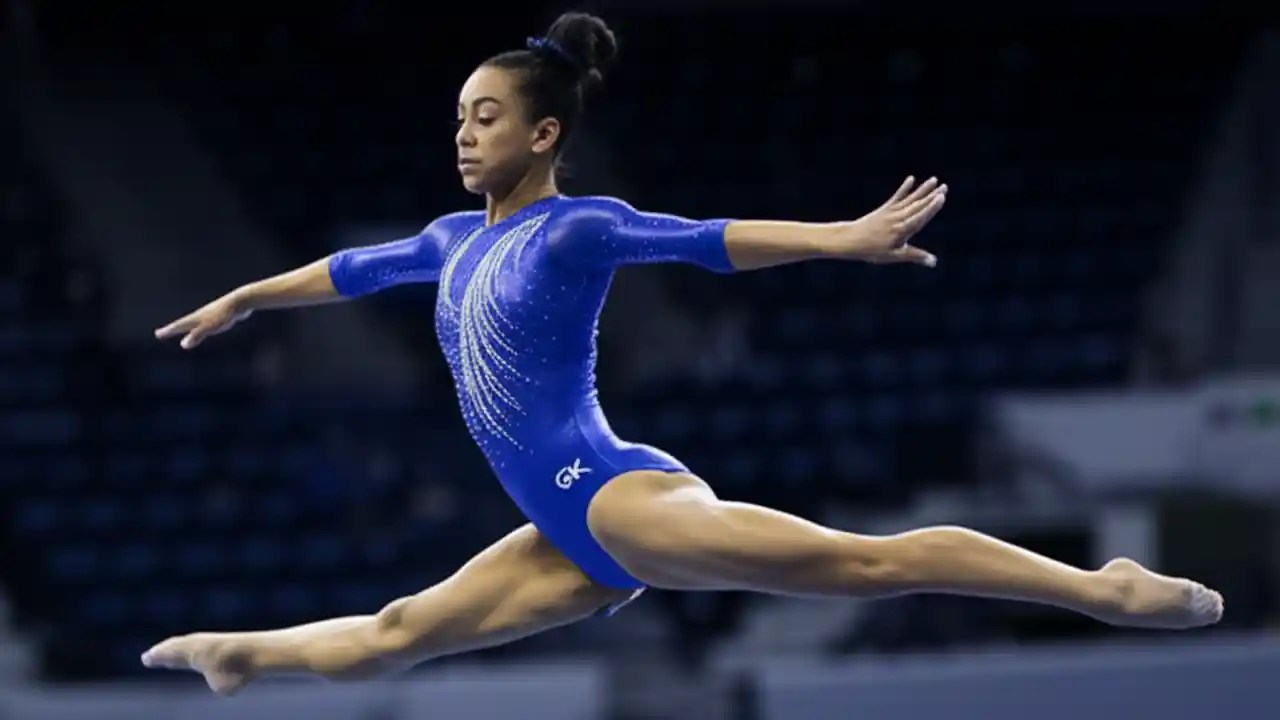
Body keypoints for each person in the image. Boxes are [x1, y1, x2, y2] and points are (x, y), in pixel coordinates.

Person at [141, 12, 1222, 696]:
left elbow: (706, 244)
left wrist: (837, 237)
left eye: (484, 118)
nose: (463, 136)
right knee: (391, 635)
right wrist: (245, 295)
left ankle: (1099, 584)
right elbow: (346, 272)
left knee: (862, 564)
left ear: (543, 134)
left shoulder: (575, 226)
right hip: (569, 532)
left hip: (613, 496)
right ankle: (241, 655)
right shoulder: (447, 240)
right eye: (458, 118)